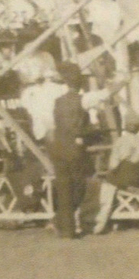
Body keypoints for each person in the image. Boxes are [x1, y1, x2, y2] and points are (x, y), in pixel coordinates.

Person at [46, 62, 89, 238]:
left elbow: (52, 127)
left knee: (63, 188)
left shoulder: (57, 101)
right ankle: (63, 222)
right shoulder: (82, 100)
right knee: (79, 186)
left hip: (58, 147)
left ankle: (66, 228)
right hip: (73, 147)